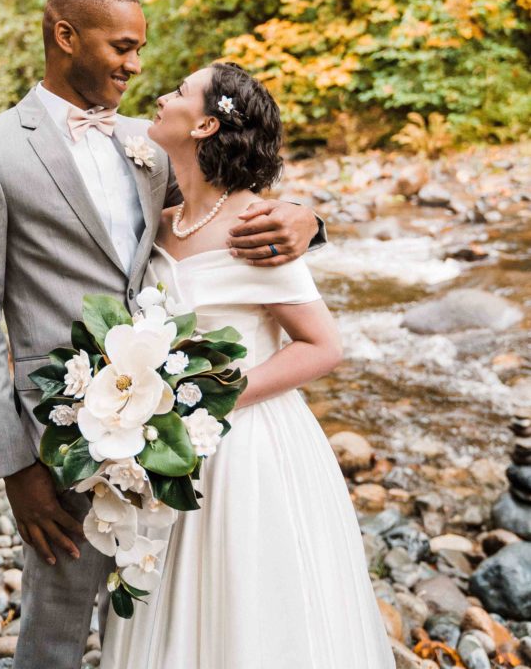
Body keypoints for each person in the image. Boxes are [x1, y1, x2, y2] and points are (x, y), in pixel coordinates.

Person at [0, 0, 325, 669]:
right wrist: (15, 467)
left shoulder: (150, 142)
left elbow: (224, 203)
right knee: (55, 626)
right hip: (61, 432)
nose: (137, 65)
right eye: (122, 46)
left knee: (160, 613)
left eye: (139, 48)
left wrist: (309, 218)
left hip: (164, 432)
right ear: (65, 36)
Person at [100, 61, 396, 669]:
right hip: (166, 446)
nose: (161, 96)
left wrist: (211, 400)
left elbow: (323, 345)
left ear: (205, 124)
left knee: (247, 599)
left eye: (180, 91)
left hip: (246, 446)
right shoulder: (160, 221)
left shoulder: (257, 228)